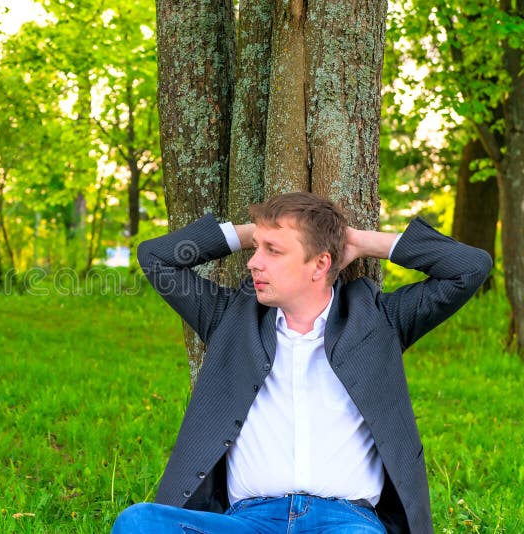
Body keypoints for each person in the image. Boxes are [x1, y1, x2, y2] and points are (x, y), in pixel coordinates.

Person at [112, 192, 492, 534]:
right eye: (255, 249)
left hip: (345, 523)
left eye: (273, 251)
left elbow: (470, 266)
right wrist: (255, 232)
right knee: (139, 522)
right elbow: (156, 258)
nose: (253, 263)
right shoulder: (229, 318)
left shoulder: (379, 320)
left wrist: (360, 241)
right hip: (249, 522)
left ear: (320, 264)